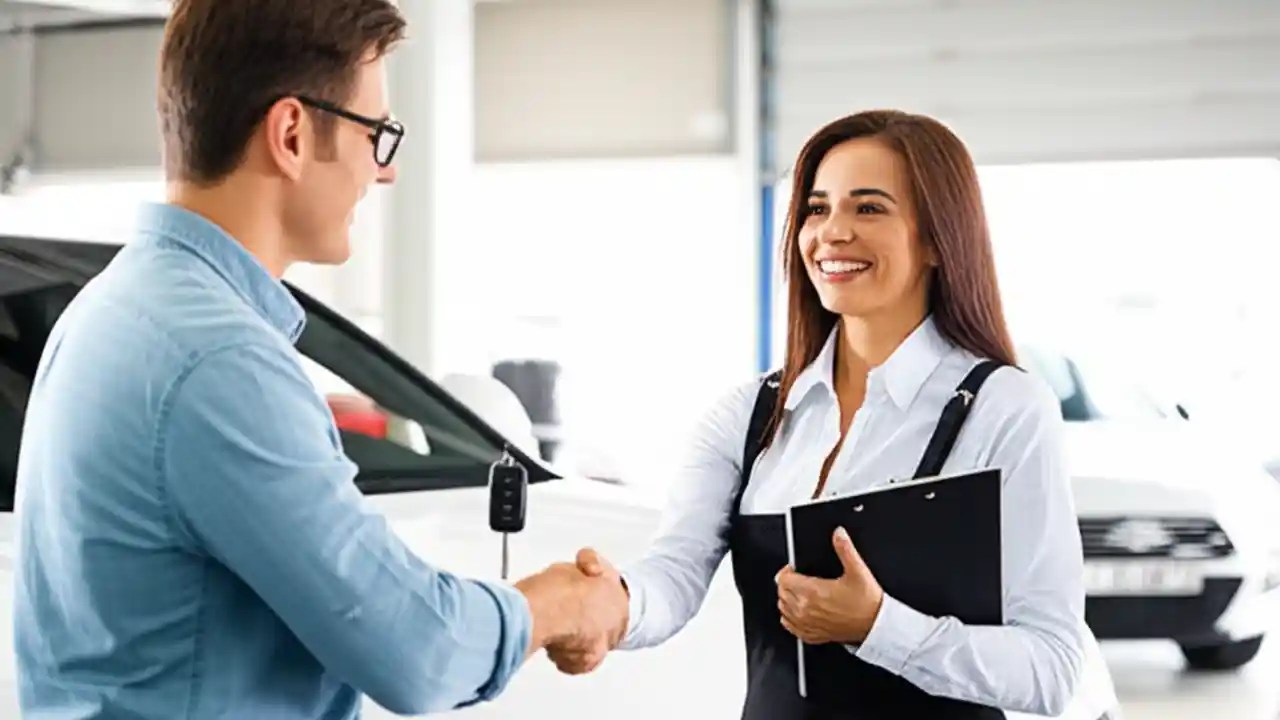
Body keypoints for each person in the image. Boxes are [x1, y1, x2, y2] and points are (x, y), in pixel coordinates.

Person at [11, 1, 623, 717]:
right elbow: (415, 648)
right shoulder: (218, 360)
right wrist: (558, 603)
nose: (386, 172)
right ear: (292, 135)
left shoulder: (106, 311)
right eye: (377, 135)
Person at [559, 110, 1089, 718]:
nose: (832, 232)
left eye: (869, 208)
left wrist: (879, 626)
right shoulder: (749, 414)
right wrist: (614, 606)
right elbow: (674, 574)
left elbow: (1052, 669)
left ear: (937, 240)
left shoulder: (1003, 408)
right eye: (817, 209)